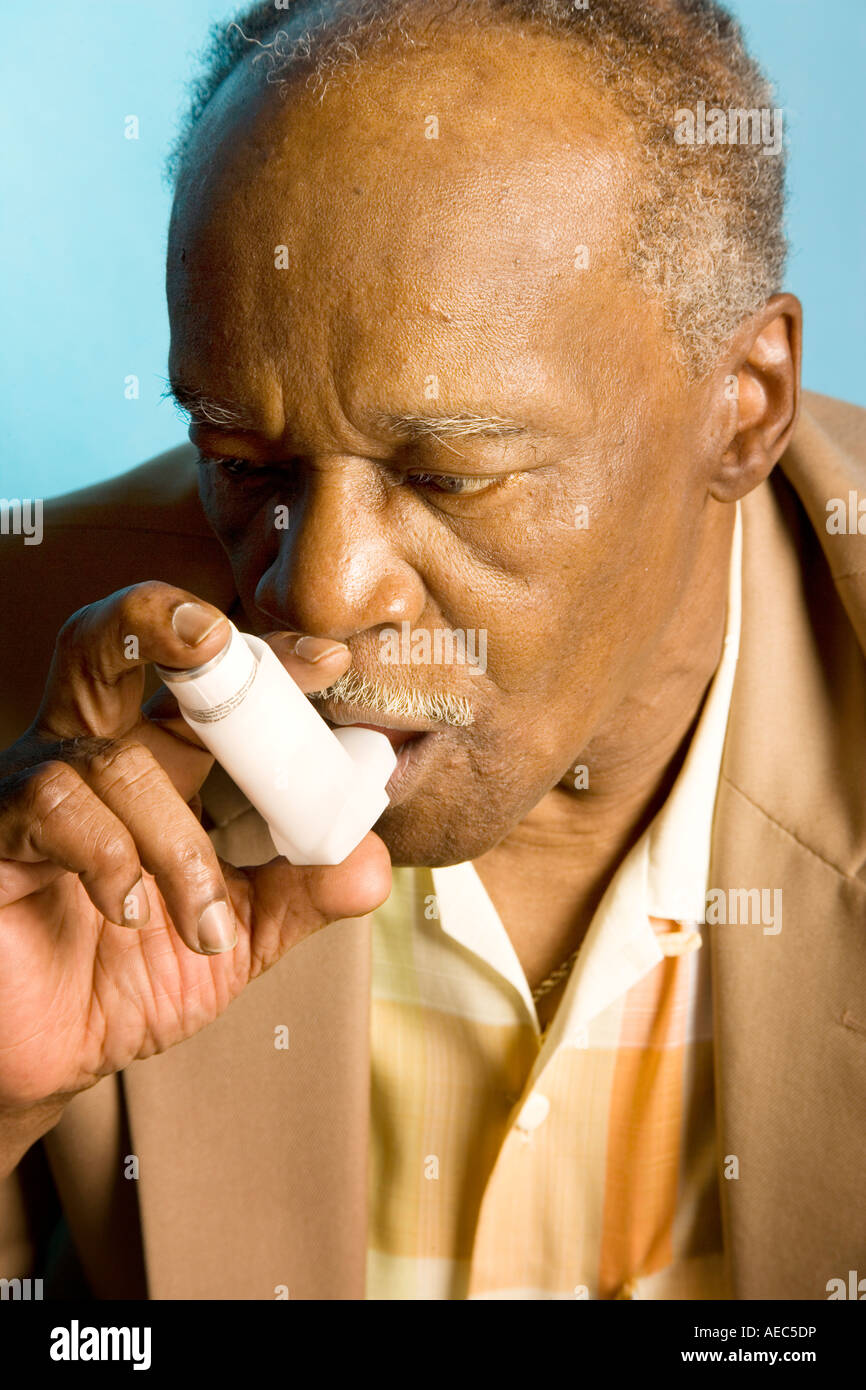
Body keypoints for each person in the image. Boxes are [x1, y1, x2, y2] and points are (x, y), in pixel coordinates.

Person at [1, 0, 864, 1301]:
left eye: (450, 473)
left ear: (738, 412)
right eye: (245, 463)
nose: (323, 589)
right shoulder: (39, 689)